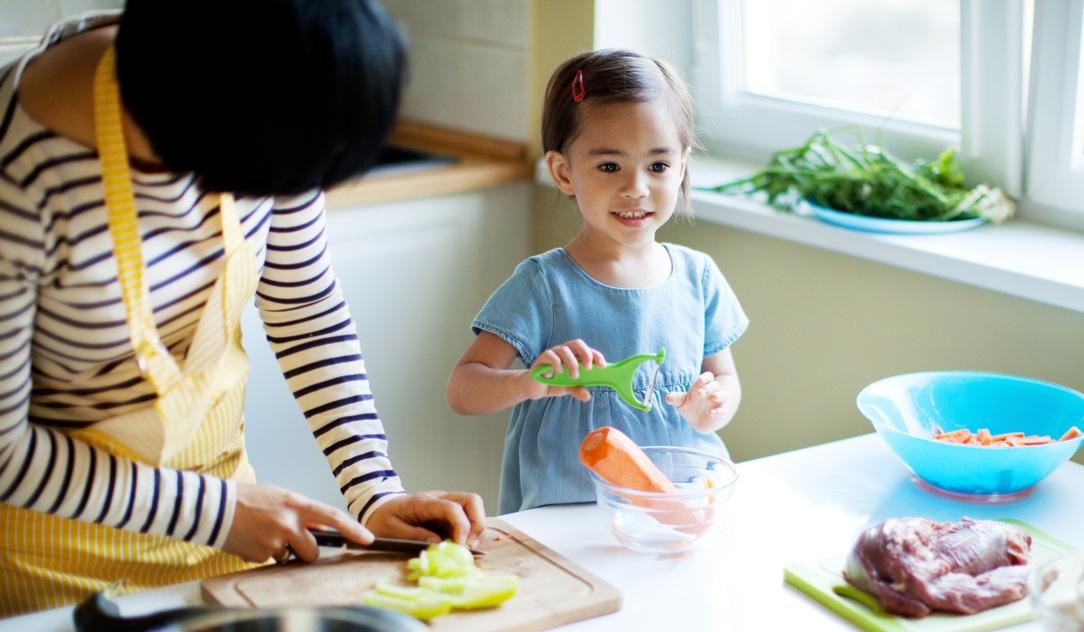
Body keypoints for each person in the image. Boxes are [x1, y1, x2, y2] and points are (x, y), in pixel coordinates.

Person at [0, 0, 485, 616]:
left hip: (226, 530)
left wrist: (373, 489)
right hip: (48, 557)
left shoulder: (281, 86)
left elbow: (304, 304)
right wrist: (213, 511)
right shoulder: (21, 171)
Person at [446, 49, 749, 515]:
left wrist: (715, 402)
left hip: (679, 506)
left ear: (682, 165)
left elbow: (725, 379)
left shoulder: (699, 277)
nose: (636, 188)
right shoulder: (544, 285)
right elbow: (463, 390)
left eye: (658, 166)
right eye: (610, 167)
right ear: (564, 172)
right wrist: (529, 382)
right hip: (565, 516)